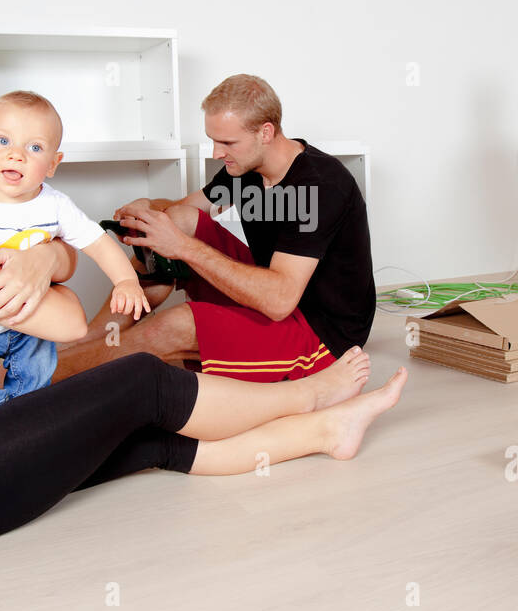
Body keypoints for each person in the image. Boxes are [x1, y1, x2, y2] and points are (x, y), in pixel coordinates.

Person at [0, 43, 406, 552]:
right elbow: (62, 317)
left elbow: (39, 253)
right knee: (141, 382)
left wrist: (49, 254)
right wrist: (50, 257)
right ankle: (310, 396)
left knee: (148, 440)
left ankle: (326, 431)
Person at [54, 73, 375, 383]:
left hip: (320, 333)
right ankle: (79, 343)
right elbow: (182, 210)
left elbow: (279, 300)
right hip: (273, 288)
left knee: (171, 327)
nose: (217, 153)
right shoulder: (247, 168)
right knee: (178, 223)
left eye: (227, 142)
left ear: (266, 132)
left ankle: (39, 381)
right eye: (213, 140)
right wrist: (148, 210)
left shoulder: (318, 187)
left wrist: (181, 247)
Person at [0, 89, 149, 427]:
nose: (16, 155)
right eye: (2, 141)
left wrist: (125, 280)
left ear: (52, 164)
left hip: (34, 319)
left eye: (34, 148)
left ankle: (27, 423)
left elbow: (96, 242)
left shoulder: (55, 206)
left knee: (36, 378)